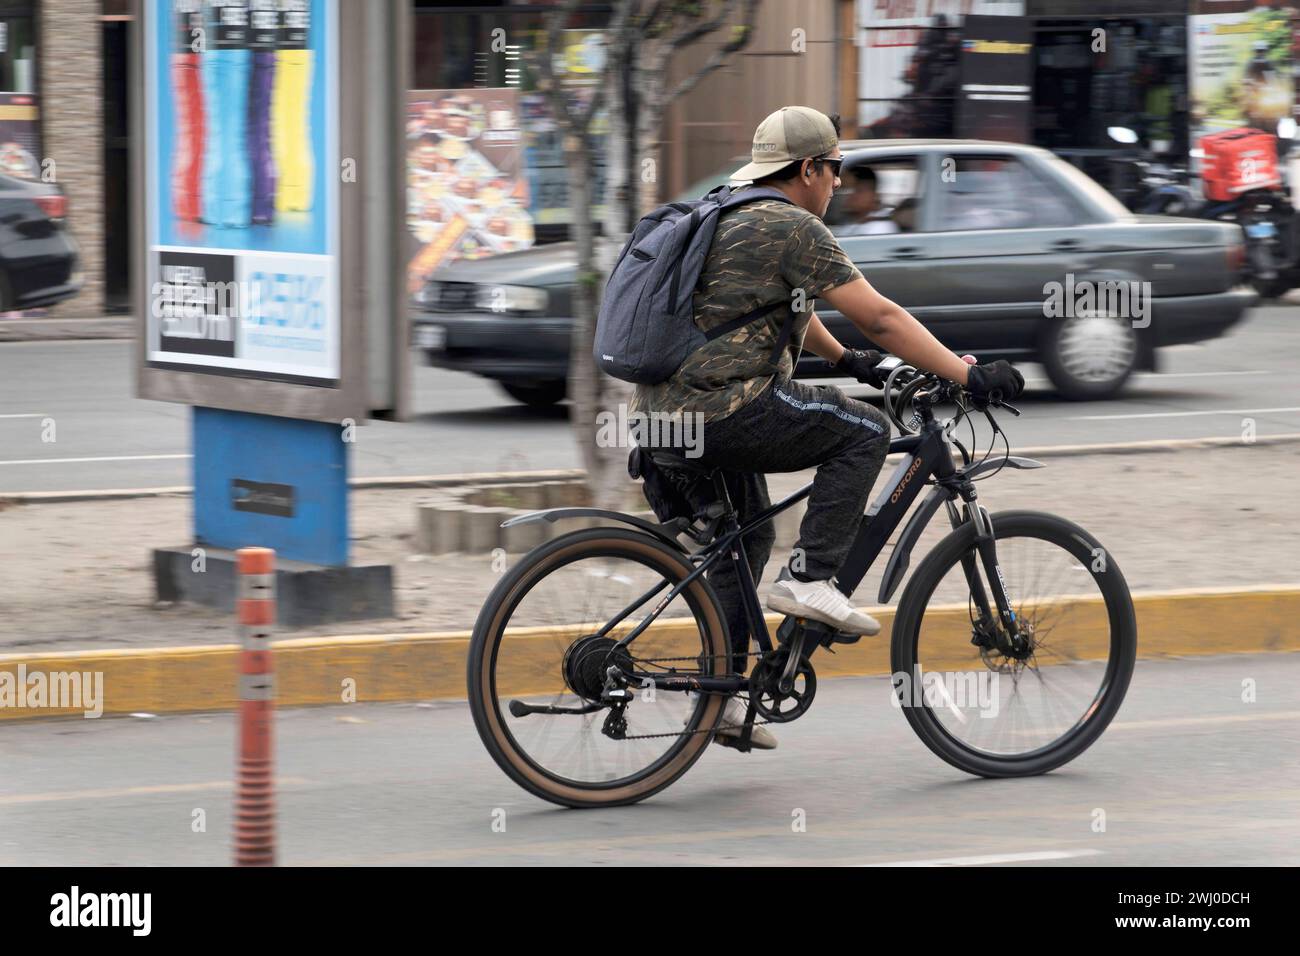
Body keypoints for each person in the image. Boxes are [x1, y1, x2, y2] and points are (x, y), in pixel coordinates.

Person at [629, 106, 1023, 750]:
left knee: (740, 545)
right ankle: (811, 579)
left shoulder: (725, 211)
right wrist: (967, 376)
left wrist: (848, 361)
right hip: (725, 407)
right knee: (864, 432)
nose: (840, 182)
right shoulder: (792, 226)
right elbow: (882, 316)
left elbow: (782, 309)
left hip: (663, 421)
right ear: (808, 168)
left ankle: (719, 701)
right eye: (835, 168)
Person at [835, 166, 900, 235]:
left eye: (858, 190)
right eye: (844, 189)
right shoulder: (851, 221)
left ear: (874, 195)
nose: (850, 196)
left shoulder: (881, 228)